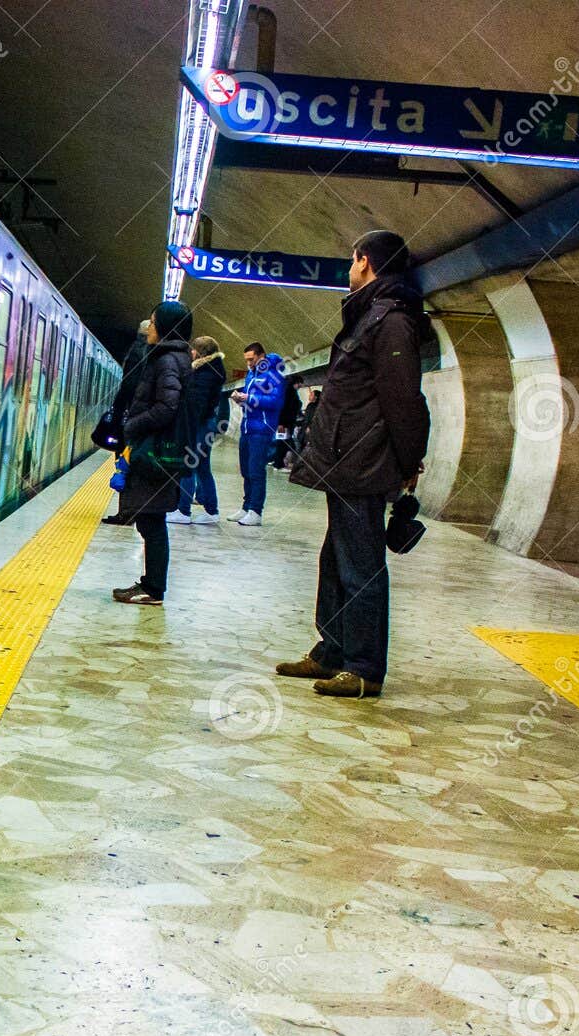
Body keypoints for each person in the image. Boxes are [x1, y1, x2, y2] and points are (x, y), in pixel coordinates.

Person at [278, 229, 432, 698]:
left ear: (364, 262)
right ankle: (333, 652)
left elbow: (403, 399)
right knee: (336, 560)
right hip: (346, 461)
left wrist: (409, 461)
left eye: (351, 262)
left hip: (363, 464)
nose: (348, 270)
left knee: (361, 566)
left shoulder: (391, 322)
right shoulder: (372, 316)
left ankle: (364, 667)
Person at [112, 300, 192, 607]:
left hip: (155, 451)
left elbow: (166, 407)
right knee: (149, 519)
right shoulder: (174, 357)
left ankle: (154, 589)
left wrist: (132, 425)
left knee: (152, 521)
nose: (150, 326)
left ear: (167, 327)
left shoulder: (167, 360)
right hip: (159, 449)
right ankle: (150, 585)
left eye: (154, 322)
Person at [168, 336, 225, 525]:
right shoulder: (212, 369)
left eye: (194, 350)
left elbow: (197, 403)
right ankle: (211, 511)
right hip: (206, 424)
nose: (191, 353)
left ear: (201, 352)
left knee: (189, 465)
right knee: (202, 467)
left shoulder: (205, 372)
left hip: (198, 424)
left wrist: (187, 424)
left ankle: (183, 511)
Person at [228, 342, 286, 525]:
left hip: (262, 428)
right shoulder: (251, 375)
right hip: (247, 427)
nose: (249, 363)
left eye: (251, 359)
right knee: (245, 469)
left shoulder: (274, 374)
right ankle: (246, 507)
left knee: (256, 470)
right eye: (246, 360)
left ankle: (256, 510)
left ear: (262, 356)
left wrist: (250, 398)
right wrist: (241, 399)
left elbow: (276, 401)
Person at [102, 320, 152, 526]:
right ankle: (130, 511)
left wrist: (117, 413)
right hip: (141, 417)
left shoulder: (137, 351)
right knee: (132, 464)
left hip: (131, 418)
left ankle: (126, 512)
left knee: (124, 464)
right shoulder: (151, 352)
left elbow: (128, 385)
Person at [272, 374, 303, 468]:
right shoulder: (289, 392)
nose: (301, 386)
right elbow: (284, 409)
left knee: (281, 442)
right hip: (284, 423)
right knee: (282, 443)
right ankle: (278, 464)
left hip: (284, 423)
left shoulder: (285, 391)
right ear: (296, 383)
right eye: (300, 384)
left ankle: (276, 461)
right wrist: (281, 423)